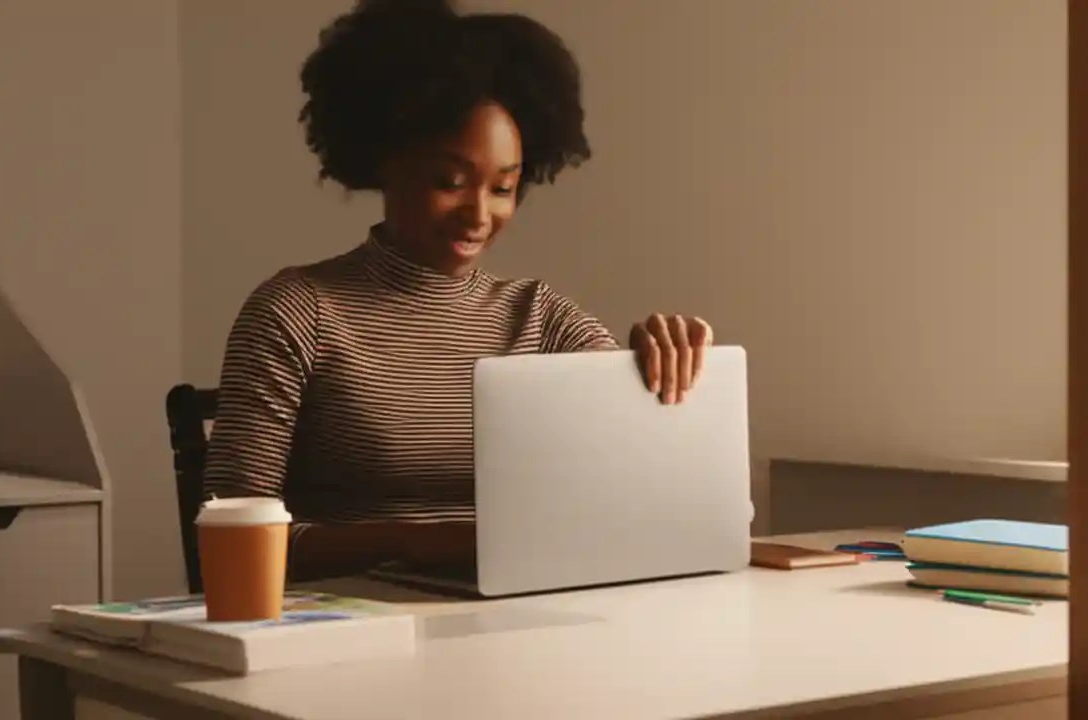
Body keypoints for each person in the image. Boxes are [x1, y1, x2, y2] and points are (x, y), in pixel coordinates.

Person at [202, 0, 715, 581]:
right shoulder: (298, 311)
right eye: (450, 181)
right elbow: (233, 534)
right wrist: (419, 544)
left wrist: (657, 367)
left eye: (503, 188)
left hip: (514, 621)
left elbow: (653, 474)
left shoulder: (539, 317)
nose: (478, 213)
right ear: (385, 161)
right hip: (348, 630)